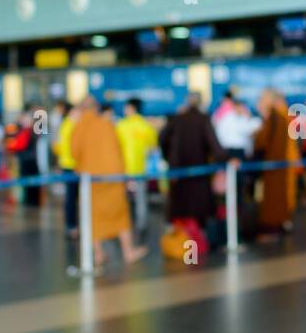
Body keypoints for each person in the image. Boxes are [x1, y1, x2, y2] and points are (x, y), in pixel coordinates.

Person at [70, 95, 147, 268]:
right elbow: (118, 150)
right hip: (113, 178)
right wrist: (124, 176)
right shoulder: (107, 125)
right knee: (120, 215)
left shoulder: (79, 127)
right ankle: (128, 251)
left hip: (92, 180)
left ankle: (98, 254)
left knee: (93, 217)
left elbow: (74, 152)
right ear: (96, 108)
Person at [158, 92, 224, 231]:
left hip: (178, 175)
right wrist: (226, 158)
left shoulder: (177, 118)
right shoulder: (203, 119)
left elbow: (161, 138)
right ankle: (196, 241)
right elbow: (214, 146)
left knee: (180, 218)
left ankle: (183, 241)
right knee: (198, 219)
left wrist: (168, 157)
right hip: (199, 176)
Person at [251, 89, 299, 238]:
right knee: (282, 196)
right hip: (283, 162)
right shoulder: (283, 116)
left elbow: (263, 141)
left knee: (273, 198)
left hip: (274, 163)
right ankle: (282, 223)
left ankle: (272, 227)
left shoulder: (275, 116)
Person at [116, 97, 158, 238]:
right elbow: (152, 148)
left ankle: (124, 226)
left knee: (123, 200)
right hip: (141, 169)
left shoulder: (121, 125)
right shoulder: (146, 126)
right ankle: (141, 226)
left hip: (123, 170)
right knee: (141, 199)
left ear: (131, 108)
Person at [53, 100, 78, 236]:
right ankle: (72, 225)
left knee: (71, 196)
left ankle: (72, 225)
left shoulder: (65, 125)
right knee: (72, 197)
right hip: (72, 165)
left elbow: (57, 146)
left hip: (67, 164)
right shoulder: (71, 125)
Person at [7, 106, 40, 206]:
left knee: (27, 181)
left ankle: (30, 200)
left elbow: (19, 145)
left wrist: (11, 145)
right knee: (32, 181)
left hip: (26, 160)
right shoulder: (32, 131)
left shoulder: (26, 132)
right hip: (31, 160)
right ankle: (32, 200)